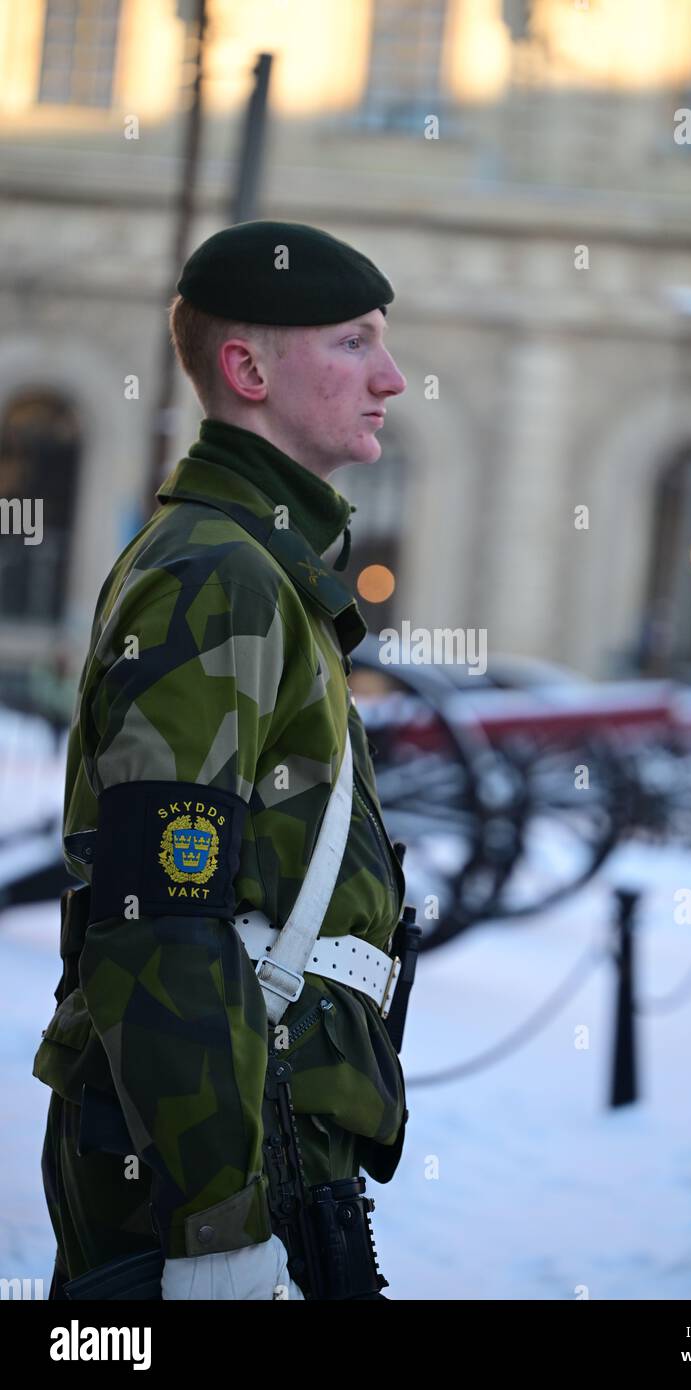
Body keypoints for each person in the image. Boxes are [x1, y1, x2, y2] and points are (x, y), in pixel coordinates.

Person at [33, 220, 410, 1300]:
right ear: (246, 369)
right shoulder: (219, 574)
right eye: (351, 343)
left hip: (270, 1127)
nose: (387, 377)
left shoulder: (260, 565)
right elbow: (161, 926)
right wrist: (219, 1236)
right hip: (220, 1152)